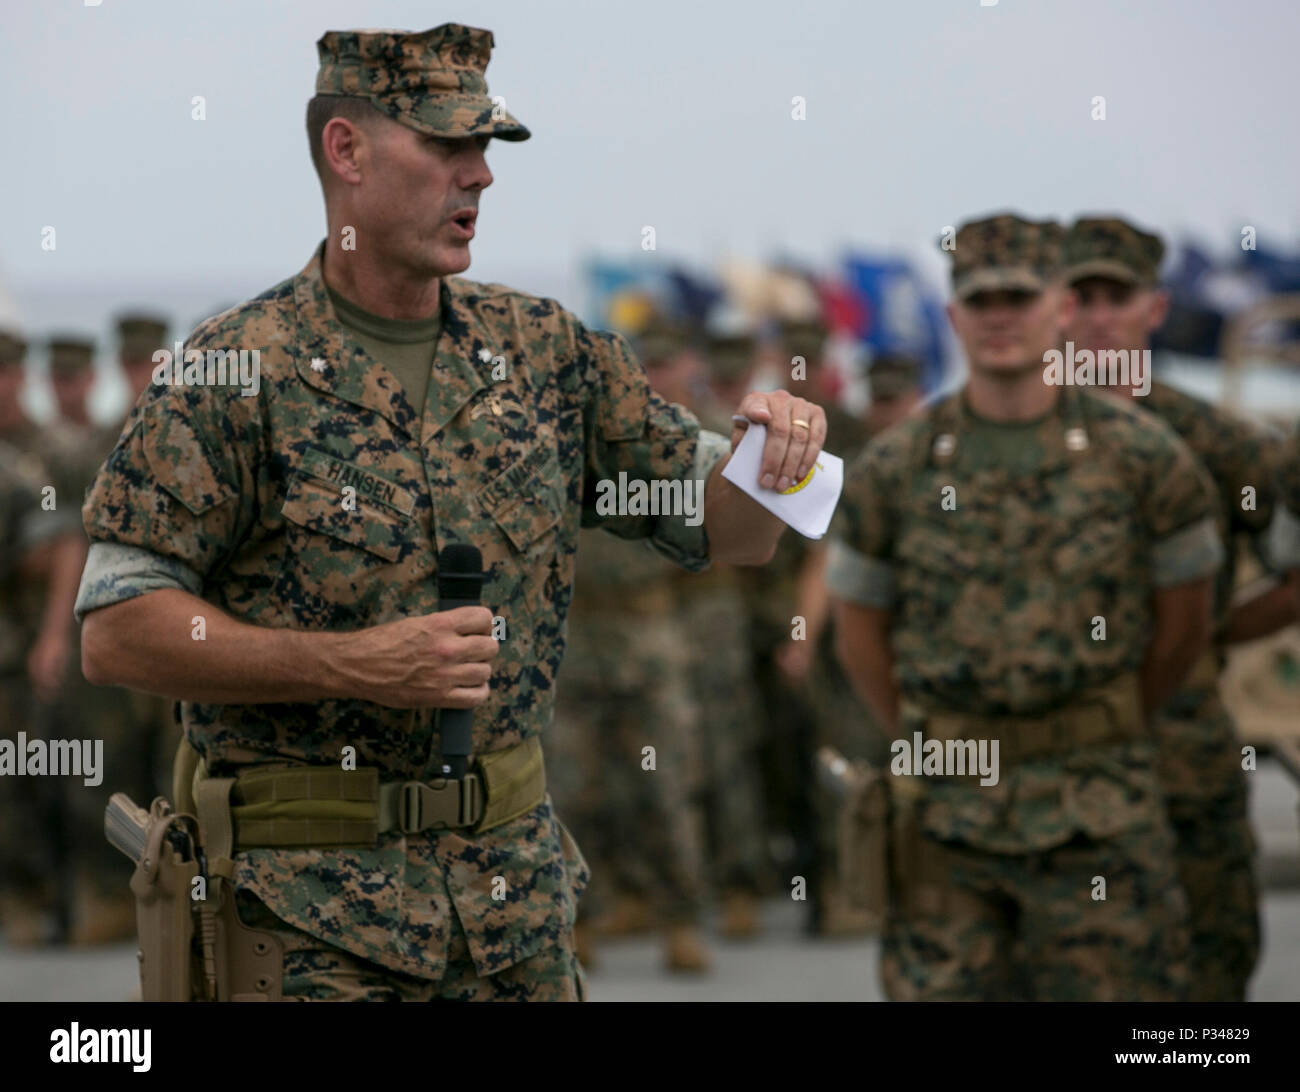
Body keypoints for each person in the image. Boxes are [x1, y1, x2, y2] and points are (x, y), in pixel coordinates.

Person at [74, 22, 825, 1002]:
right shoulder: (232, 372)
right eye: (445, 145)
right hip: (303, 928)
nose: (478, 176)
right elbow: (117, 633)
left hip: (512, 917)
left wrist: (773, 456)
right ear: (345, 151)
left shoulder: (545, 355)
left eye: (485, 149)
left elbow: (732, 535)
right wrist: (348, 665)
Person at [828, 212, 1221, 1001]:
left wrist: (1101, 723)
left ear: (1062, 310)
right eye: (981, 300)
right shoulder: (897, 468)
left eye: (1020, 295)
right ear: (953, 318)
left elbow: (1183, 627)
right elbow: (859, 633)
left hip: (1098, 813)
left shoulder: (1143, 459)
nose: (1000, 315)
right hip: (946, 820)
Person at [1062, 214, 1284, 1000]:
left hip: (1180, 760)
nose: (1094, 315)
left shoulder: (1216, 441)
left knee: (1205, 983)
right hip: (1046, 774)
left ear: (1153, 309)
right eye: (1078, 294)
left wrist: (1212, 634)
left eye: (1113, 296)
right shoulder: (997, 435)